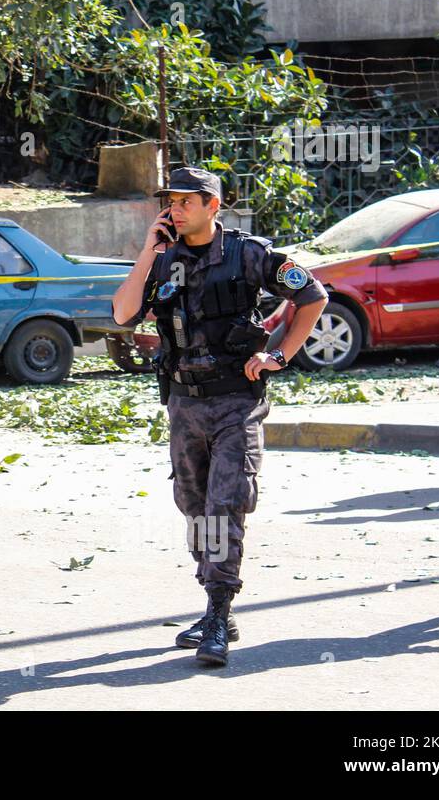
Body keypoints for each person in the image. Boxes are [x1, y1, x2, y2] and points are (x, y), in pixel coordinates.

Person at [111, 167, 326, 667]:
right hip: (185, 404)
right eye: (172, 201)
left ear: (214, 206)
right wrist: (148, 252)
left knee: (224, 502)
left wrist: (280, 354)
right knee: (193, 505)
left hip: (236, 401)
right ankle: (215, 605)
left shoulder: (249, 254)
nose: (177, 208)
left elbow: (314, 296)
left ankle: (217, 610)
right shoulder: (164, 260)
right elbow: (123, 315)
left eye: (188, 200)